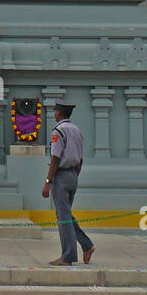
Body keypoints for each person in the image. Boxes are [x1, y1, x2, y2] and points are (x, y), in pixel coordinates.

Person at [42, 101, 94, 266]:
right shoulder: (77, 131)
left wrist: (48, 181)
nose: (54, 113)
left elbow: (55, 158)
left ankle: (68, 256)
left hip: (61, 176)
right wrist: (74, 176)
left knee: (63, 217)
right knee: (66, 214)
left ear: (59, 113)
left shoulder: (58, 131)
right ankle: (86, 245)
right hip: (73, 175)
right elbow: (80, 159)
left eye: (55, 111)